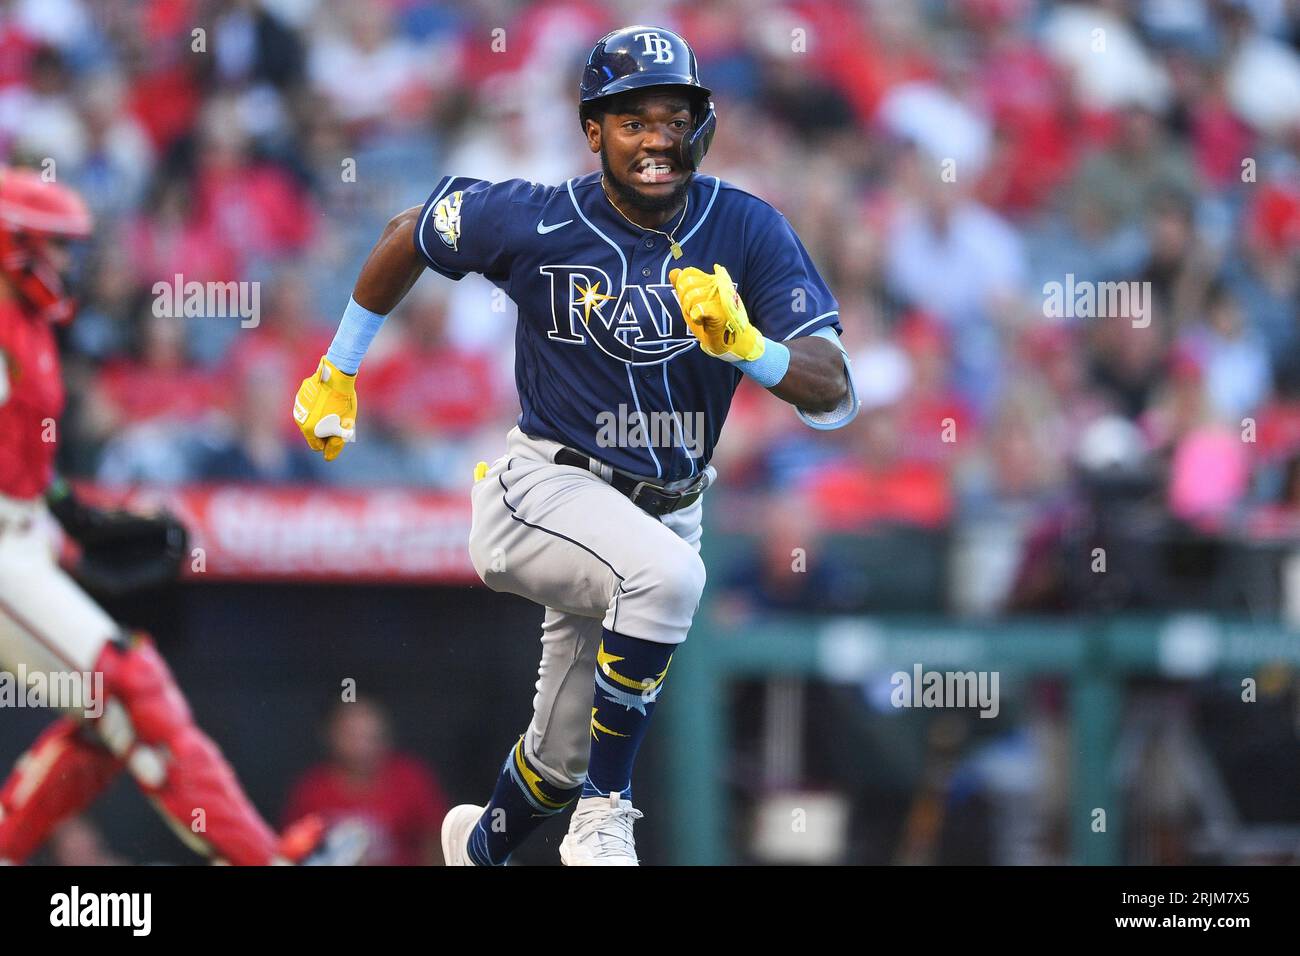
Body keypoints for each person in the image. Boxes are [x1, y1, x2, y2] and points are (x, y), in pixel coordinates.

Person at [292, 25, 859, 865]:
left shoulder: (746, 228)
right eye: (632, 120)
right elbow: (410, 231)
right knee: (668, 582)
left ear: (701, 126)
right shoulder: (536, 216)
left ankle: (480, 847)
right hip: (544, 489)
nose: (657, 139)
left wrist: (753, 349)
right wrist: (337, 368)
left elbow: (837, 391)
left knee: (554, 760)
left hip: (667, 506)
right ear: (592, 130)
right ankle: (608, 810)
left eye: (674, 117)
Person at [0, 166, 353, 866]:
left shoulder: (29, 320)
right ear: (14, 245)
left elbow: (19, 463)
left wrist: (77, 515)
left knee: (114, 716)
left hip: (22, 532)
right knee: (131, 687)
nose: (68, 266)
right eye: (56, 248)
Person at [283, 699, 448, 866]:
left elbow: (437, 839)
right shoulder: (312, 789)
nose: (361, 747)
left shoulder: (411, 779)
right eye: (351, 736)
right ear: (330, 736)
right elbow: (292, 850)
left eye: (370, 737)